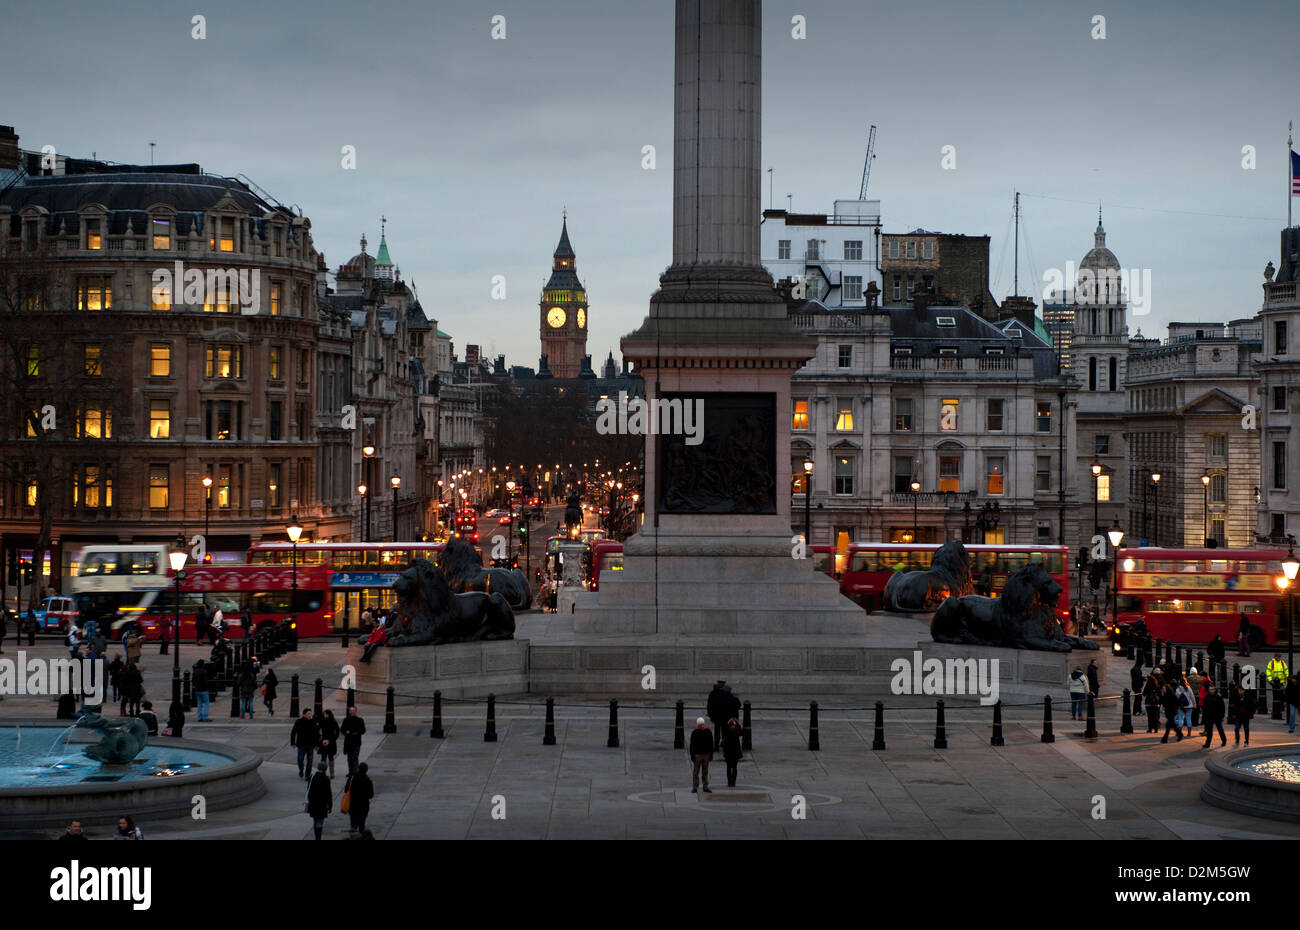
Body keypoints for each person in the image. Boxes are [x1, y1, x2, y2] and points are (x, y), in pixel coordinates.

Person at [345, 761, 374, 836]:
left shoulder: (352, 778)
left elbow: (346, 789)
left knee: (353, 825)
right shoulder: (368, 780)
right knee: (362, 825)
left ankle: (353, 834)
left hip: (353, 804)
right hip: (363, 805)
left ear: (358, 768)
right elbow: (371, 795)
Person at [306, 761, 332, 840]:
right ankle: (318, 837)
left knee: (315, 820)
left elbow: (309, 790)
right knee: (320, 821)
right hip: (322, 804)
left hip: (313, 803)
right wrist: (330, 805)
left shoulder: (312, 777)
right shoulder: (326, 779)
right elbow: (328, 793)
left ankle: (316, 836)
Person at [291, 709, 320, 779]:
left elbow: (317, 734)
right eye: (308, 714)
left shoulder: (313, 722)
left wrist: (317, 745)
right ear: (304, 714)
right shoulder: (299, 722)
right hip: (301, 744)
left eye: (310, 713)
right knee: (300, 759)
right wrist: (293, 743)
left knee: (310, 761)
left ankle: (307, 774)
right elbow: (293, 732)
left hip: (311, 745)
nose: (310, 715)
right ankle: (301, 770)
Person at [688, 717, 713, 794]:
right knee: (702, 772)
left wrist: (692, 755)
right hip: (703, 755)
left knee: (698, 772)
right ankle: (703, 787)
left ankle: (696, 787)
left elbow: (691, 745)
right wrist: (711, 754)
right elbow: (711, 744)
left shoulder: (695, 732)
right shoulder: (707, 731)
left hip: (699, 755)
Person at [341, 705, 366, 776]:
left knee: (355, 757)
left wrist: (357, 732)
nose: (352, 712)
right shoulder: (346, 720)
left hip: (356, 742)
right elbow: (342, 729)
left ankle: (355, 772)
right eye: (350, 711)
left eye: (353, 711)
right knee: (349, 758)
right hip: (348, 742)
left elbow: (363, 730)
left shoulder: (360, 720)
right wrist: (346, 732)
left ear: (356, 711)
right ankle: (350, 771)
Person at [1201, 683, 1227, 748]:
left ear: (1215, 689)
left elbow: (1222, 708)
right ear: (1208, 690)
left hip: (1217, 716)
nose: (1211, 691)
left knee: (1220, 730)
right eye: (1210, 689)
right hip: (1209, 717)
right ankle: (1208, 743)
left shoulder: (1219, 697)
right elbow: (1204, 708)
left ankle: (1224, 741)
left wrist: (1221, 716)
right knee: (1209, 731)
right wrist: (1205, 717)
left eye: (1213, 689)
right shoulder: (1206, 697)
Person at [720, 717, 743, 788]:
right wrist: (737, 725)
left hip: (728, 752)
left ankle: (729, 782)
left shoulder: (727, 730)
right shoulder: (736, 731)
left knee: (729, 767)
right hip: (736, 752)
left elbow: (724, 732)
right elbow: (741, 733)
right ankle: (734, 782)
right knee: (735, 767)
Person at [319, 709, 340, 778]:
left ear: (328, 714)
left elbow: (337, 732)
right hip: (323, 741)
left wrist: (330, 740)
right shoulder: (322, 721)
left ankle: (332, 773)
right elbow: (317, 730)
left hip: (331, 742)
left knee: (331, 757)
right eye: (323, 714)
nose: (324, 715)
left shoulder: (333, 722)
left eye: (325, 714)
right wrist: (320, 737)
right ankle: (323, 772)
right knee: (323, 757)